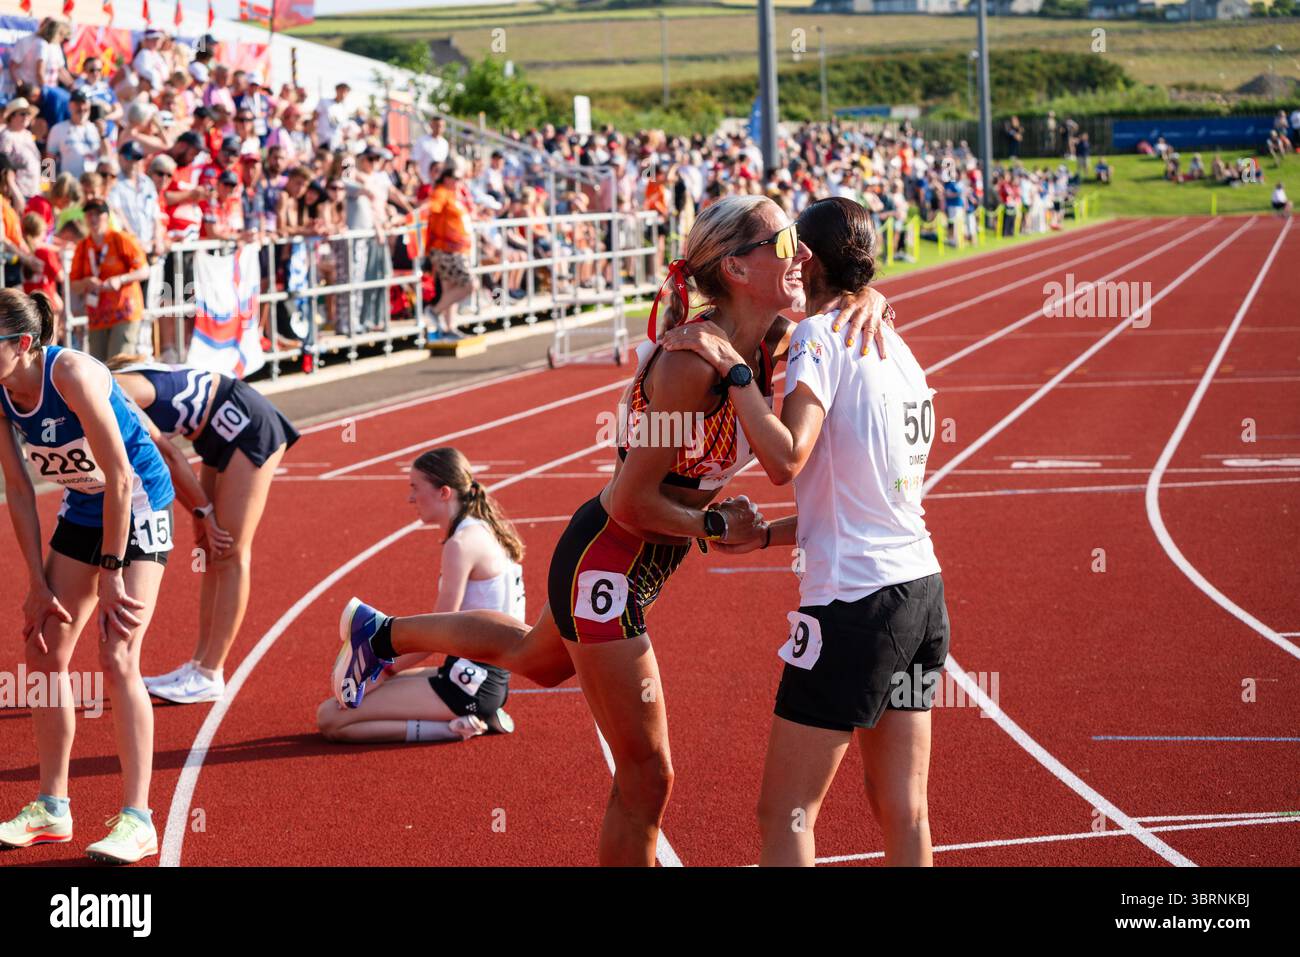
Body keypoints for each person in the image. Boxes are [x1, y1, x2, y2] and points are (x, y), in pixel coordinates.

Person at [330, 195, 888, 866]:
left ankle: (382, 632)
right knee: (648, 774)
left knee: (538, 657)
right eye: (785, 238)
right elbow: (630, 502)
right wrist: (712, 524)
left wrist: (873, 299)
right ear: (737, 269)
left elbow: (847, 312)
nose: (800, 249)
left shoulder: (769, 340)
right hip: (609, 561)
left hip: (642, 555)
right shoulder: (689, 367)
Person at [661, 197, 948, 867]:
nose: (784, 253)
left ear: (807, 258)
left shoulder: (822, 337)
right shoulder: (902, 351)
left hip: (853, 605)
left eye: (790, 241)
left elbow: (786, 457)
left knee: (785, 811)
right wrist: (764, 539)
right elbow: (862, 503)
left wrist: (734, 371)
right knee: (903, 808)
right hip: (921, 595)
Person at [0, 289, 174, 864]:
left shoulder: (70, 373)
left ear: (22, 344)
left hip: (139, 503)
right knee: (44, 646)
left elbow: (122, 475)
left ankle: (139, 819)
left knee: (118, 653)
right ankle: (52, 807)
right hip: (82, 507)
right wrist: (36, 583)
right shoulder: (2, 392)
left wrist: (112, 572)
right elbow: (20, 492)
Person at [103, 355, 299, 703]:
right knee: (210, 551)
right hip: (214, 436)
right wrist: (200, 513)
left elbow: (169, 458)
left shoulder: (113, 394)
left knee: (231, 551)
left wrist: (204, 512)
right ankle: (198, 664)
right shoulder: (106, 385)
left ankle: (211, 672)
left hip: (248, 426)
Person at [319, 448, 519, 743]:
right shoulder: (481, 530)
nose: (410, 498)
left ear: (444, 492)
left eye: (415, 488)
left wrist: (382, 672)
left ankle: (457, 727)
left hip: (469, 684)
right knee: (353, 695)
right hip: (479, 675)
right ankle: (473, 715)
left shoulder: (462, 544)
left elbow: (437, 635)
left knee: (331, 718)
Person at [68, 199, 151, 363]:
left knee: (119, 365)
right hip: (97, 317)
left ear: (107, 216)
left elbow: (145, 270)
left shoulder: (120, 239)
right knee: (99, 369)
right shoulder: (83, 246)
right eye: (89, 214)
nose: (93, 218)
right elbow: (74, 286)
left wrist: (120, 279)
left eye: (98, 214)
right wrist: (87, 282)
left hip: (124, 311)